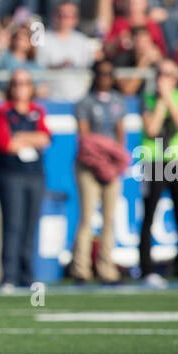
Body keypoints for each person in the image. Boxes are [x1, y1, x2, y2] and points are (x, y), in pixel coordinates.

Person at [137, 59, 178, 287]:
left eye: (170, 74)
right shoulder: (148, 100)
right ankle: (147, 269)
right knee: (149, 217)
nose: (166, 78)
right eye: (162, 74)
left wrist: (170, 99)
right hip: (154, 162)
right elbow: (152, 128)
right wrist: (162, 102)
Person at [0, 68, 50, 289]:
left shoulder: (37, 110)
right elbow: (6, 143)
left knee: (30, 226)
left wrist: (22, 137)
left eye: (25, 83)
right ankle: (9, 275)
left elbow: (45, 138)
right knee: (12, 225)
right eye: (16, 83)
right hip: (12, 174)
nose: (20, 88)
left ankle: (27, 275)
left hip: (34, 174)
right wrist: (30, 139)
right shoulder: (4, 111)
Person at [70, 60, 127, 284]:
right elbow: (86, 140)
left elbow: (120, 136)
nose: (105, 77)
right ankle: (81, 269)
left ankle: (107, 268)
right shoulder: (85, 103)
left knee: (109, 220)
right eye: (102, 73)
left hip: (111, 167)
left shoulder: (117, 102)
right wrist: (104, 153)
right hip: (89, 166)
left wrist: (114, 160)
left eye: (109, 73)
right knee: (86, 219)